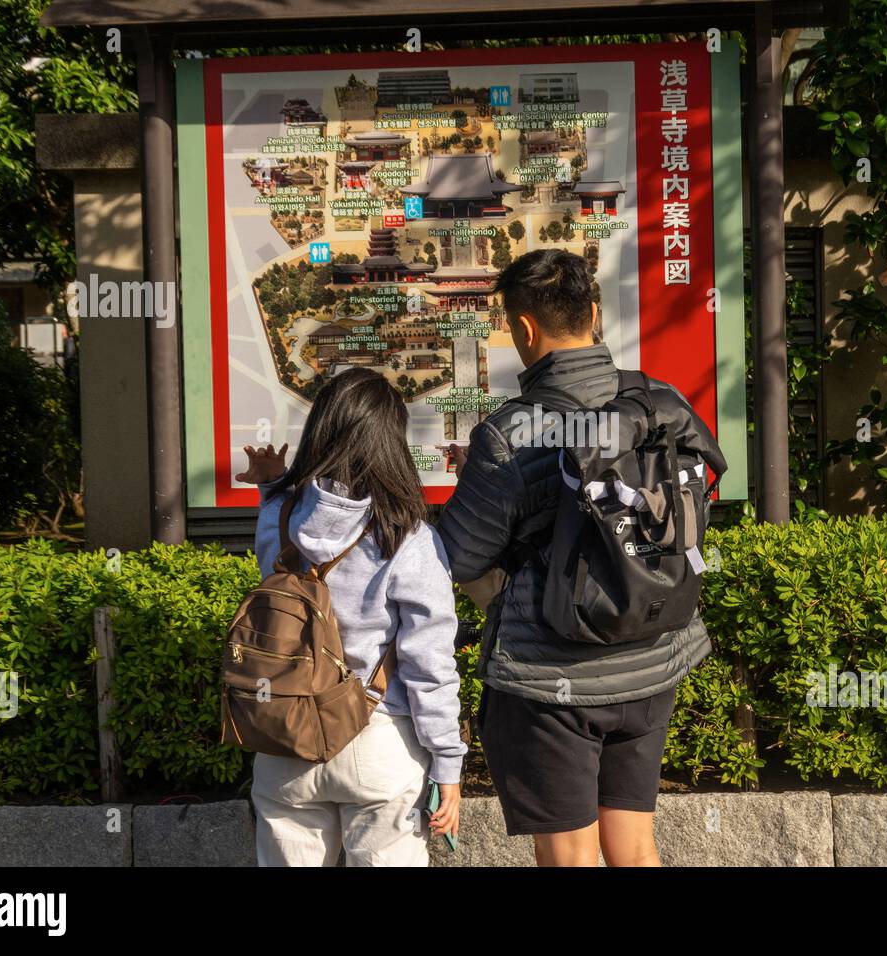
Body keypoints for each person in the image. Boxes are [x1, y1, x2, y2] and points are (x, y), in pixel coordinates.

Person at [437, 248, 713, 867]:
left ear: (524, 329)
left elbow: (456, 556)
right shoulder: (656, 402)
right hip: (653, 658)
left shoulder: (513, 433)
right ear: (593, 312)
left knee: (570, 858)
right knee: (636, 849)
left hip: (552, 678)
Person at [236, 367, 464, 866]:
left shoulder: (278, 518)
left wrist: (273, 483)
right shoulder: (408, 538)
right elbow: (429, 662)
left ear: (319, 429)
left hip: (283, 740)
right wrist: (448, 761)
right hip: (376, 739)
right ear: (391, 443)